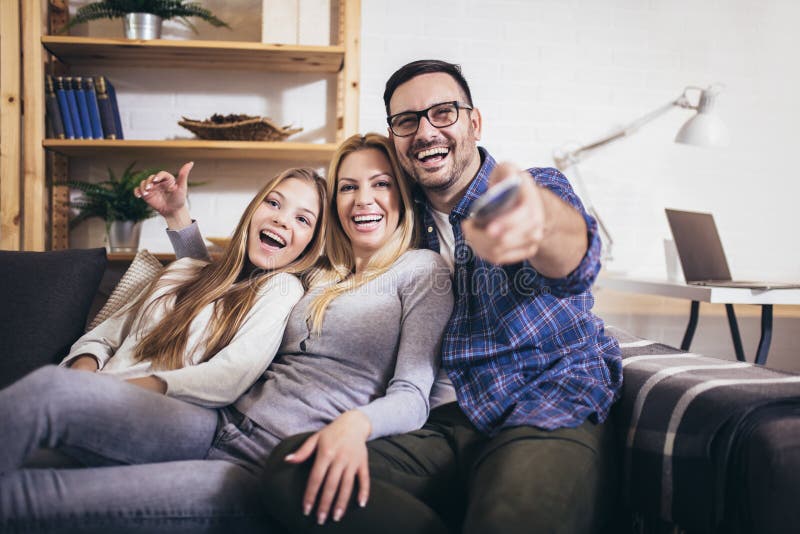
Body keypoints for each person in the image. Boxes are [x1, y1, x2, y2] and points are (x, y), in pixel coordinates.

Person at [0, 134, 453, 534]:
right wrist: (179, 220)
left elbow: (414, 395)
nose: (363, 199)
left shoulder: (421, 270)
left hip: (260, 467)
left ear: (404, 195)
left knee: (36, 496)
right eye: (349, 187)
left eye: (381, 184)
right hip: (209, 423)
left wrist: (356, 425)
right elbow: (221, 284)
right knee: (50, 390)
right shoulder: (320, 271)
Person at [260, 60, 624, 534]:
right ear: (395, 138)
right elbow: (289, 254)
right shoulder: (398, 224)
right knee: (297, 465)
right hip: (442, 426)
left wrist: (538, 223)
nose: (425, 131)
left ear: (474, 122)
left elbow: (576, 260)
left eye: (443, 113)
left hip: (544, 405)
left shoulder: (531, 190)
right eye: (407, 121)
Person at [60, 165, 327, 407]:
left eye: (303, 219)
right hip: (89, 395)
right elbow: (102, 338)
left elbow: (228, 376)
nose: (281, 220)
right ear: (253, 209)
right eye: (273, 203)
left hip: (150, 409)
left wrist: (111, 392)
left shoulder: (282, 289)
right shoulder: (184, 269)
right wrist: (81, 383)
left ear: (311, 244)